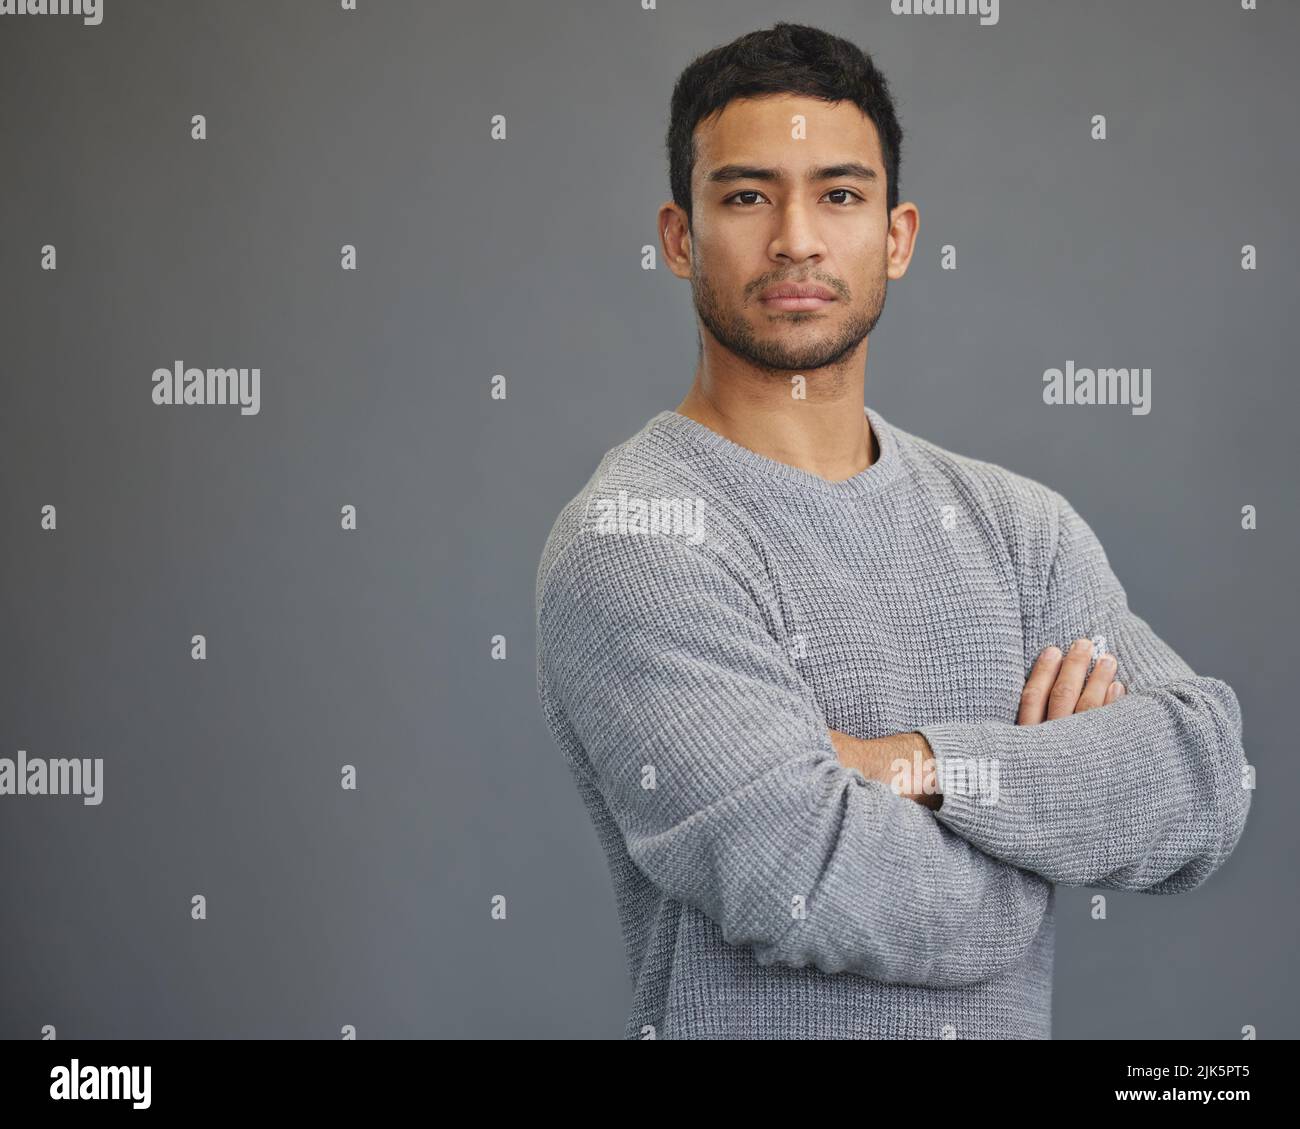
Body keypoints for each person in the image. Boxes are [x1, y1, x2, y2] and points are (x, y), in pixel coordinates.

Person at [534, 21, 1250, 1040]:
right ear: (679, 235)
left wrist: (912, 764)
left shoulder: (1018, 526)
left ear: (897, 236)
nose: (796, 238)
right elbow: (809, 874)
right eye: (746, 195)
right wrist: (1043, 833)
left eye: (838, 194)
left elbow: (1205, 782)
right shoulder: (637, 540)